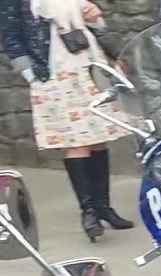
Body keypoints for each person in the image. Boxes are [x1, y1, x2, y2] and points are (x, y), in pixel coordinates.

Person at [1, 0, 135, 240]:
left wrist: (95, 18)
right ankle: (89, 212)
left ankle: (104, 207)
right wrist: (31, 74)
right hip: (55, 74)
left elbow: (94, 26)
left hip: (91, 66)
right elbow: (10, 37)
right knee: (77, 142)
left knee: (98, 139)